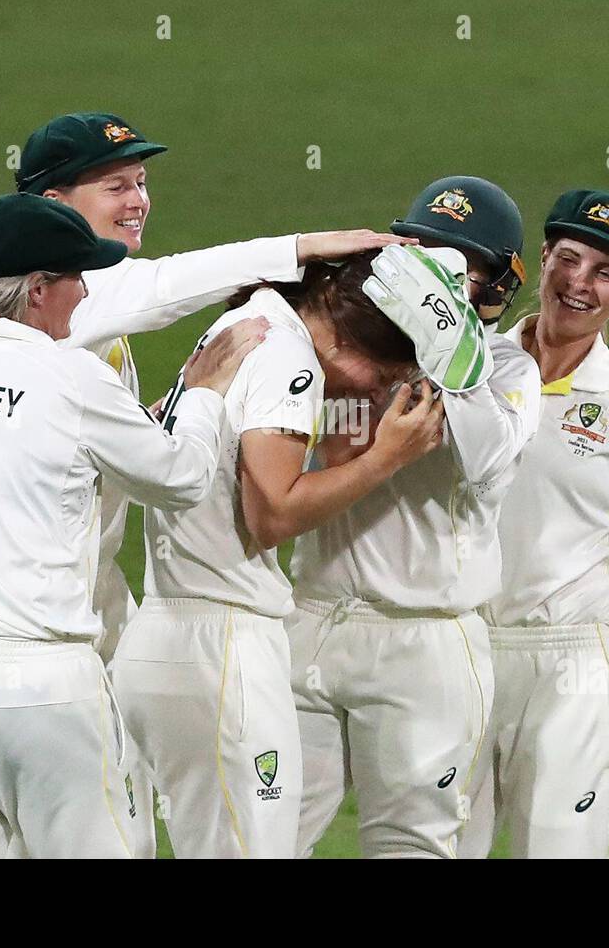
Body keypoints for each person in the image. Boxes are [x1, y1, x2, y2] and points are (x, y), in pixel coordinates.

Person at [15, 111, 414, 850]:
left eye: (141, 183)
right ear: (50, 206)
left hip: (100, 629)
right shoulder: (65, 308)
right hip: (56, 637)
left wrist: (173, 411)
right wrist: (298, 248)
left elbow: (127, 459)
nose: (137, 200)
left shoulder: (75, 332)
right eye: (114, 187)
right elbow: (163, 284)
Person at [0, 193, 266, 858]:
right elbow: (181, 479)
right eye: (76, 278)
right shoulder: (72, 377)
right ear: (37, 291)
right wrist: (201, 392)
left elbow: (19, 447)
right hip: (36, 687)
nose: (87, 293)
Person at [111, 252, 446, 858]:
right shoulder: (288, 355)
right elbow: (273, 515)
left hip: (167, 633)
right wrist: (384, 458)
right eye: (384, 371)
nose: (378, 389)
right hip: (221, 650)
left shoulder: (247, 320)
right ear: (345, 336)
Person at [458, 189, 609, 859]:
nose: (579, 282)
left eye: (604, 273)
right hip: (460, 650)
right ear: (542, 259)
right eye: (568, 258)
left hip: (573, 669)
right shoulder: (466, 367)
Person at [287, 221, 543, 858]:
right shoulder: (348, 348)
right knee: (258, 835)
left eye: (461, 270)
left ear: (496, 288)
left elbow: (488, 466)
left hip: (425, 640)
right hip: (310, 620)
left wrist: (449, 351)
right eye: (422, 258)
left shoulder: (506, 368)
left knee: (411, 844)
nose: (439, 279)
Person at [388, 175, 527, 328]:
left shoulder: (500, 352)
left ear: (498, 286)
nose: (434, 274)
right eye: (421, 253)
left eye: (462, 265)